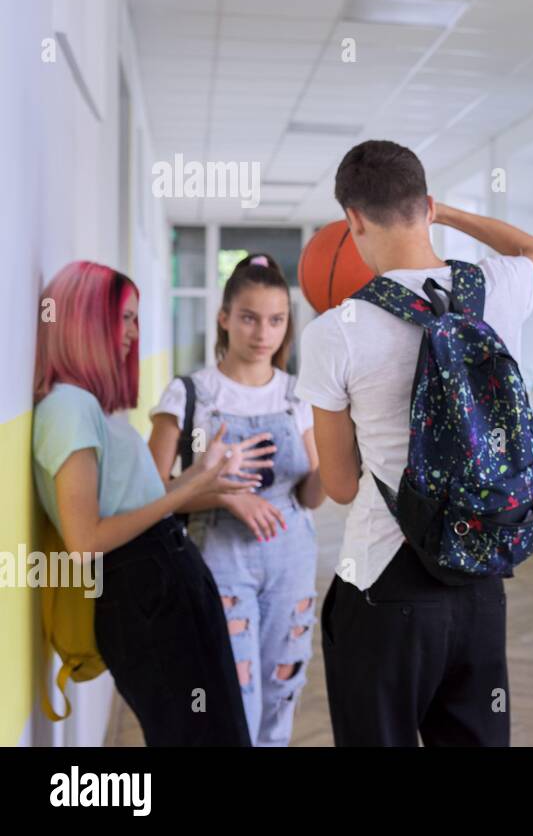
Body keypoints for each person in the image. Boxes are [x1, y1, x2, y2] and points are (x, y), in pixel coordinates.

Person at [295, 139, 533, 746]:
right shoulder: (499, 288)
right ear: (426, 206)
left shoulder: (336, 331)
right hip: (481, 572)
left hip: (384, 580)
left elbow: (337, 486)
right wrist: (454, 216)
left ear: (353, 219)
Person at [32, 260, 269, 746]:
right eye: (123, 317)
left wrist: (203, 477)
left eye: (135, 318)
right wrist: (186, 491)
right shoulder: (67, 409)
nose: (133, 331)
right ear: (84, 317)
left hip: (163, 576)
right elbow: (86, 541)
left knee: (217, 733)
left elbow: (133, 502)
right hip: (144, 589)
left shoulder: (88, 406)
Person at [148, 253, 324, 746]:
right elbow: (148, 497)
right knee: (232, 693)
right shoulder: (191, 395)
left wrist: (335, 463)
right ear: (224, 318)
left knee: (280, 690)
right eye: (248, 317)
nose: (262, 333)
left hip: (291, 560)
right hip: (217, 560)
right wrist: (222, 496)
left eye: (275, 320)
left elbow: (310, 496)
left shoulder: (298, 396)